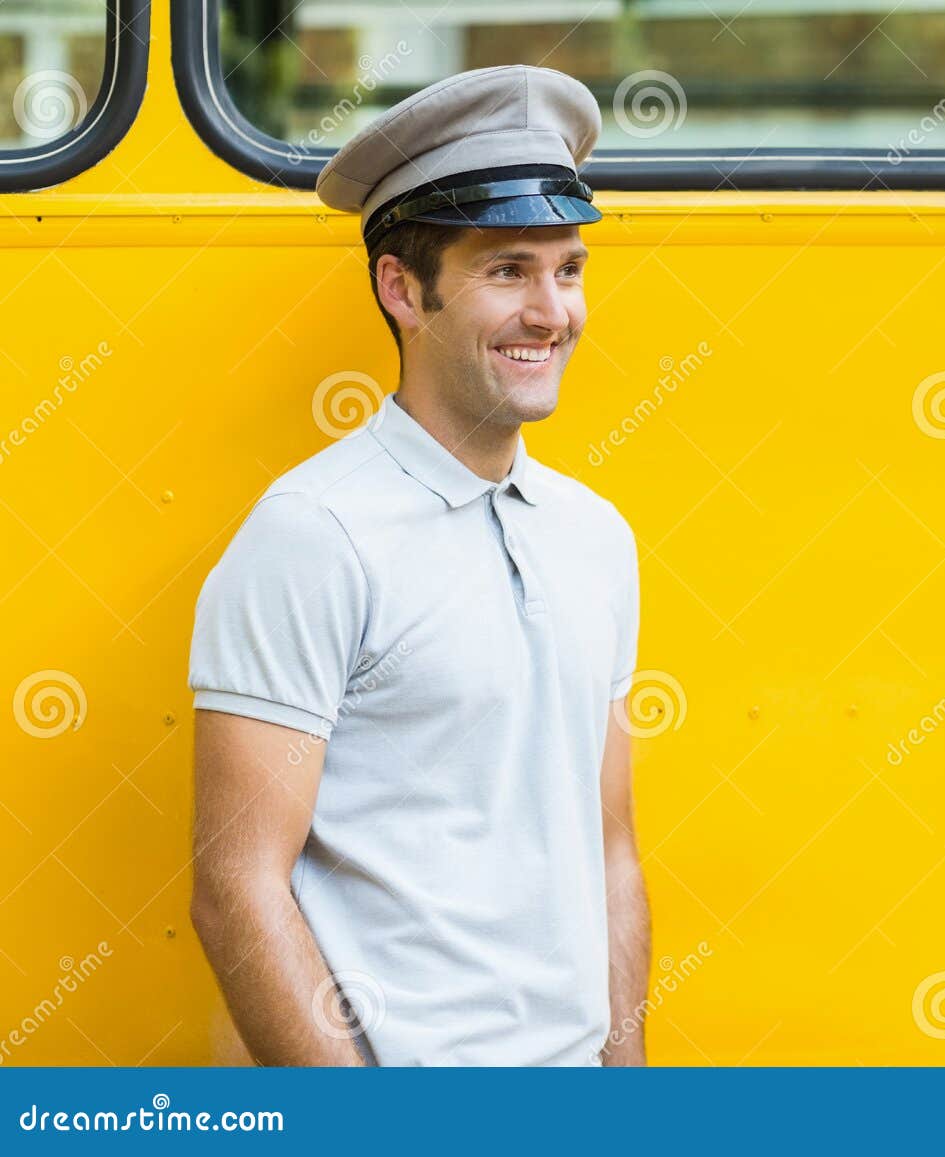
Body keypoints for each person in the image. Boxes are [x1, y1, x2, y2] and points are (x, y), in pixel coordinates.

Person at [186, 65, 648, 1067]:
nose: (553, 311)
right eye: (507, 271)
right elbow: (236, 888)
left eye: (568, 269)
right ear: (402, 289)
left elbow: (610, 852)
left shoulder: (596, 535)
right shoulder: (313, 535)